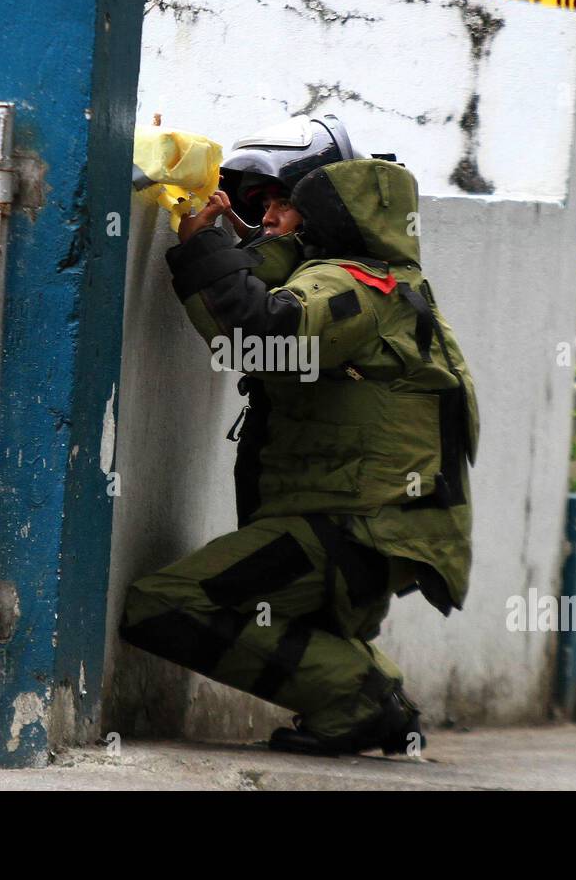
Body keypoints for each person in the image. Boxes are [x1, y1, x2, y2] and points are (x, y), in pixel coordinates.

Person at [119, 115, 479, 756]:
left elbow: (261, 337)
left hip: (355, 524)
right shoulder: (361, 278)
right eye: (264, 208)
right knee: (256, 615)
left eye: (283, 205)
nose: (270, 219)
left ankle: (360, 696)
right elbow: (253, 322)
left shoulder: (359, 284)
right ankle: (377, 696)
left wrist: (206, 246)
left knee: (164, 605)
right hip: (349, 521)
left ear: (323, 211)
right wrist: (231, 243)